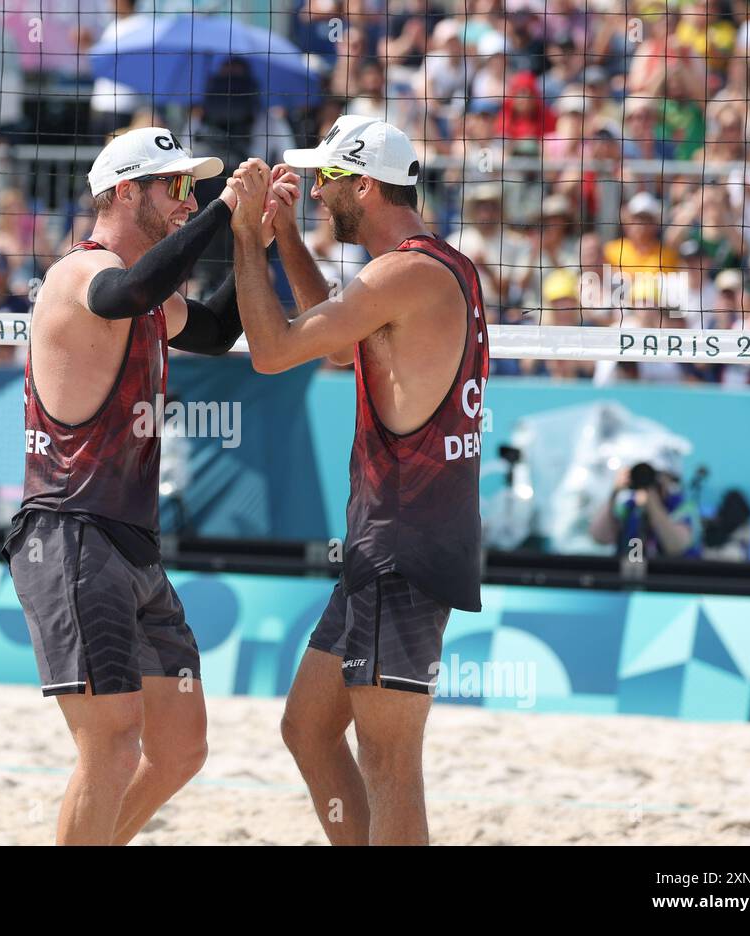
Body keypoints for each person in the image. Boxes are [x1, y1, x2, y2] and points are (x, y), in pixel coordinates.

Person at [2, 127, 293, 845]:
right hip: (69, 531)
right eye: (176, 186)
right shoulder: (81, 274)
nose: (188, 199)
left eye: (193, 187)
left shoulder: (151, 303)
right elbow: (131, 286)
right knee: (110, 747)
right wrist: (226, 210)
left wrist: (264, 235)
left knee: (180, 749)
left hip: (130, 544)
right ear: (125, 191)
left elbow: (222, 327)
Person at [226, 115, 489, 845]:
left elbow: (274, 351)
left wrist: (245, 238)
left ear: (364, 186)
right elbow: (340, 348)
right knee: (307, 729)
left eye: (325, 181)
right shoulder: (430, 267)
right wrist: (281, 240)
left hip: (408, 542)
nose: (314, 193)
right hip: (388, 542)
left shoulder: (403, 273)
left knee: (389, 759)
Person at [588, 460, 700, 559]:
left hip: (674, 579)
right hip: (631, 577)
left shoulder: (682, 507)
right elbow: (600, 537)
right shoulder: (629, 507)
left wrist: (651, 501)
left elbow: (675, 546)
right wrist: (615, 492)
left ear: (670, 478)